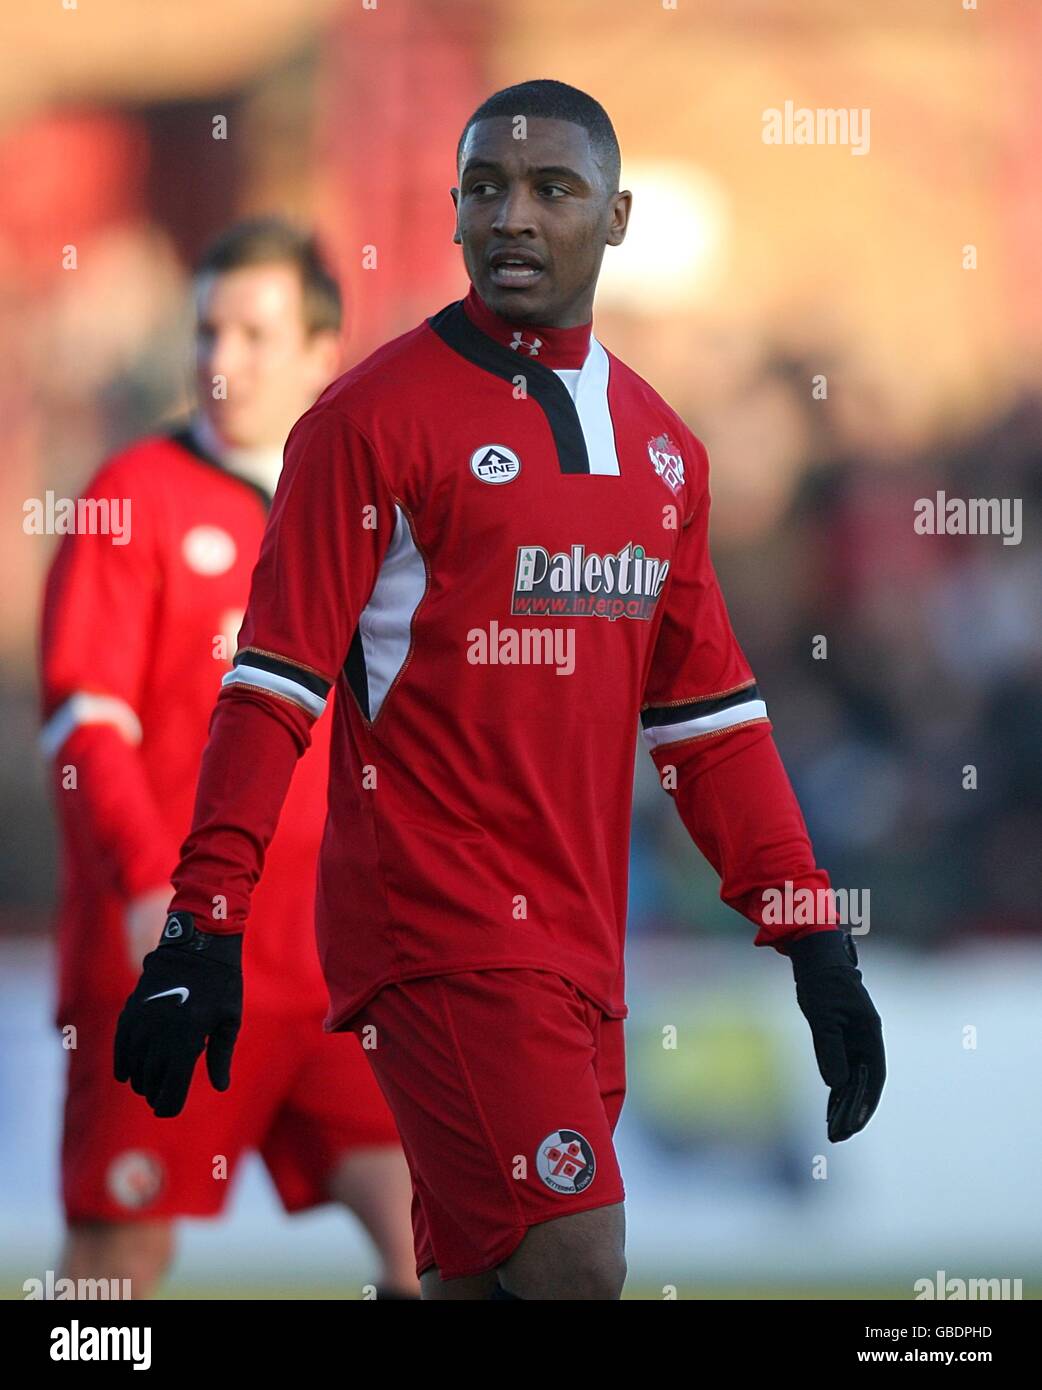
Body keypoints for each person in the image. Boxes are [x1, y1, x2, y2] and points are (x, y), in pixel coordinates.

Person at [113, 82, 886, 1301]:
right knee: (579, 1263)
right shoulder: (367, 422)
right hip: (437, 930)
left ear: (617, 217)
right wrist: (202, 923)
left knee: (489, 1285)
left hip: (583, 947)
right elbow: (271, 690)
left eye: (551, 189)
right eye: (484, 189)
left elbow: (711, 729)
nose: (511, 217)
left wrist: (813, 940)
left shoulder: (665, 449)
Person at [39, 218, 418, 1299]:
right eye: (207, 331)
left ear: (322, 351)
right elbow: (83, 720)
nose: (221, 360)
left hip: (342, 955)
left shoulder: (376, 511)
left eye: (254, 334)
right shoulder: (133, 498)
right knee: (119, 1258)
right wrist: (150, 885)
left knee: (439, 1241)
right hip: (177, 943)